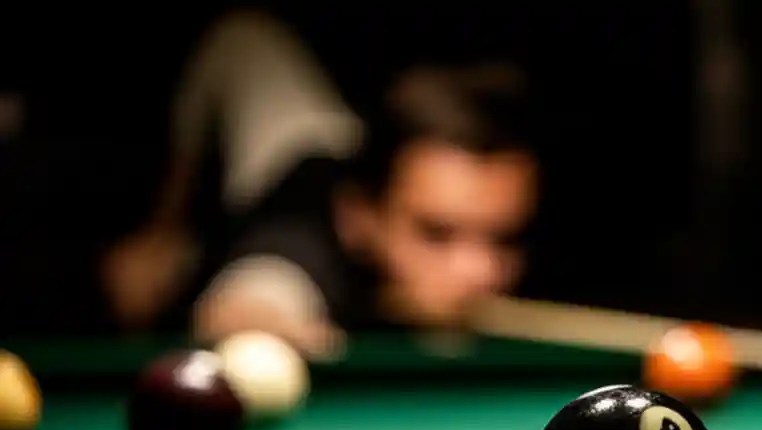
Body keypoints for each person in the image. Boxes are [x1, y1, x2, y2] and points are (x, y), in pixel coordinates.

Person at [101, 10, 539, 358]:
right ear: (359, 216)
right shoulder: (300, 237)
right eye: (436, 233)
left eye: (504, 239)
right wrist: (166, 226)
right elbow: (266, 285)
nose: (478, 272)